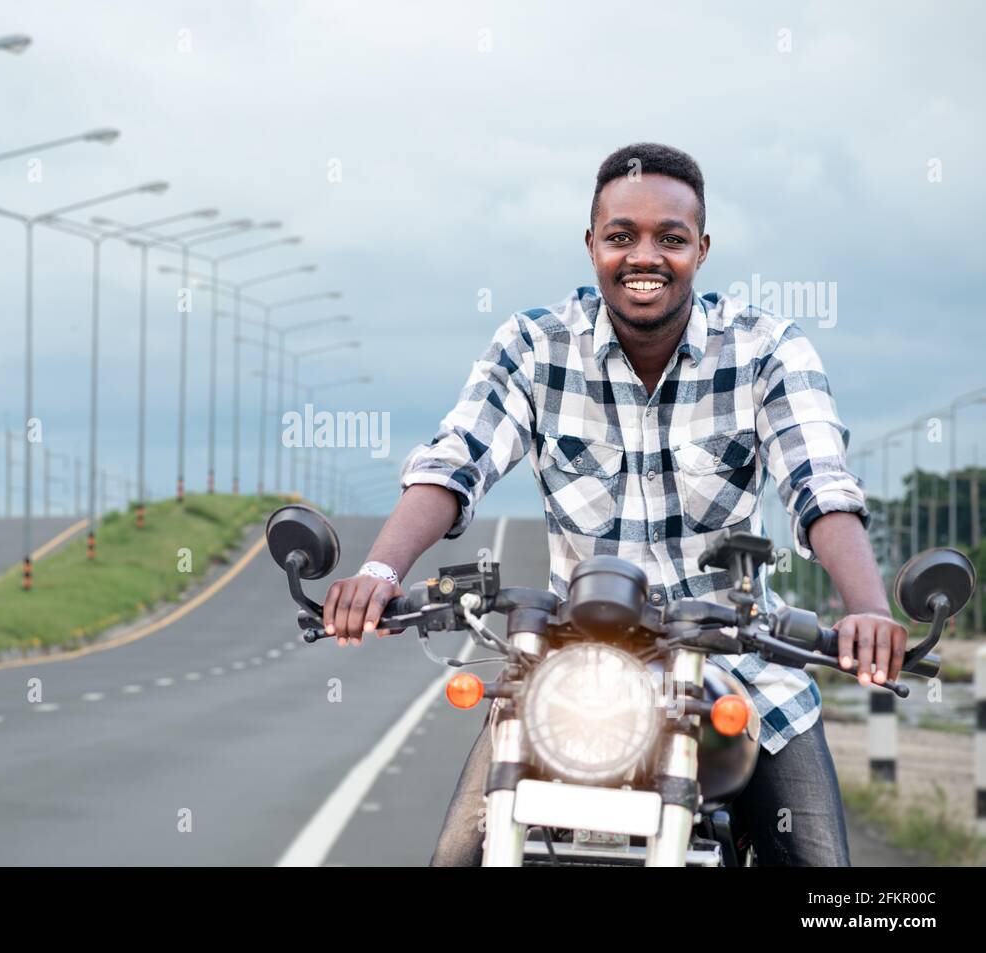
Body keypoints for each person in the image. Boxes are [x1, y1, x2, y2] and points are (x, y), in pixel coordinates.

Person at [321, 143, 908, 866]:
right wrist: (380, 574)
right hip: (574, 677)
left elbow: (819, 484)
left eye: (671, 238)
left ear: (702, 248)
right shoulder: (535, 347)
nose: (645, 256)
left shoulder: (765, 351)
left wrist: (869, 611)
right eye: (622, 236)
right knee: (457, 857)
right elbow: (455, 461)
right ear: (592, 244)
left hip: (735, 668)